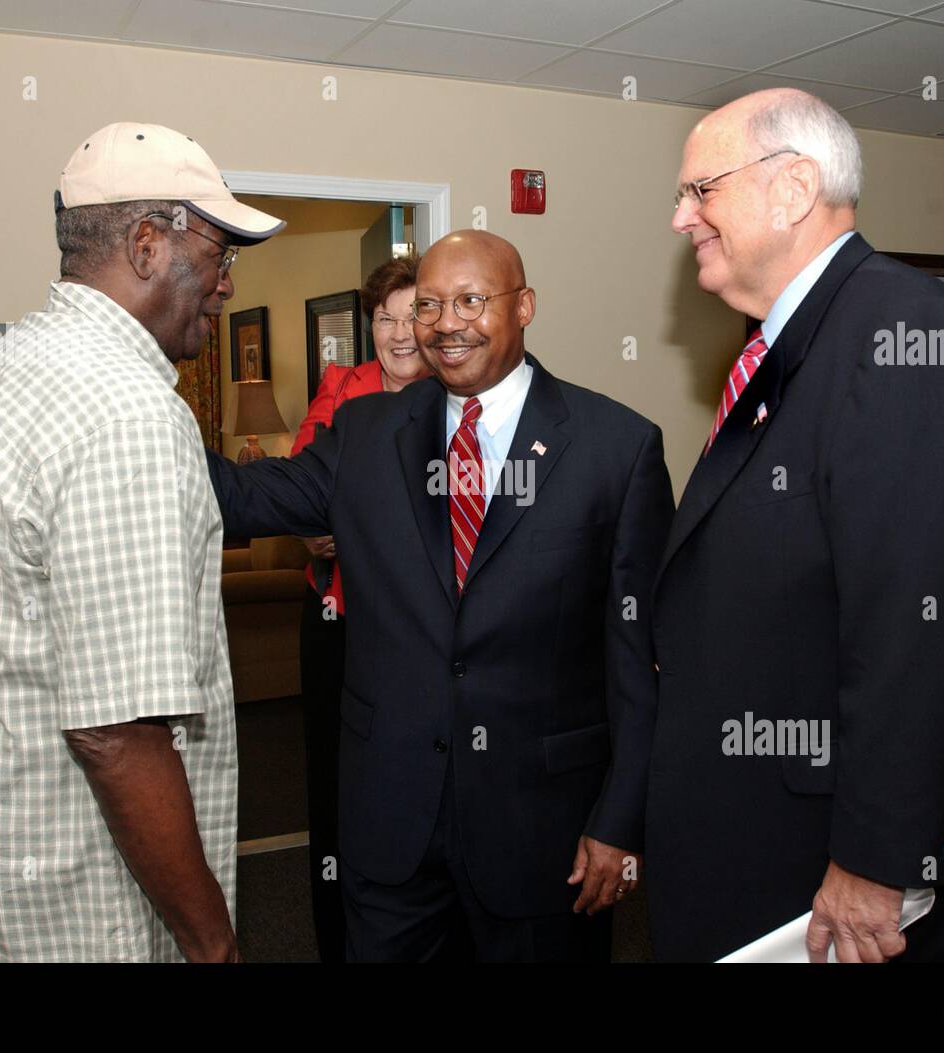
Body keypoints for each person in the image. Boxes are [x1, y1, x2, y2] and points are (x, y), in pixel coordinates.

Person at [648, 88, 944, 962]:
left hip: (844, 865)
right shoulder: (796, 344)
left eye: (700, 190)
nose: (678, 217)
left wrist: (881, 859)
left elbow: (929, 633)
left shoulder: (906, 337)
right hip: (767, 824)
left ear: (792, 187)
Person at [0, 122, 284, 962]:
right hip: (72, 906)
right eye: (217, 255)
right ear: (144, 244)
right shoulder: (127, 414)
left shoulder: (5, 367)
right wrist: (214, 944)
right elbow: (117, 732)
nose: (226, 286)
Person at [205, 229, 673, 962]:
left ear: (524, 306)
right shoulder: (364, 434)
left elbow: (638, 660)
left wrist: (620, 821)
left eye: (470, 300)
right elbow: (237, 496)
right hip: (392, 827)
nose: (445, 322)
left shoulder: (617, 448)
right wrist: (130, 394)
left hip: (544, 836)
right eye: (428, 304)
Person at [289, 253, 430, 963]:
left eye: (414, 315)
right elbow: (308, 499)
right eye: (385, 318)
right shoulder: (341, 390)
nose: (400, 333)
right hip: (340, 625)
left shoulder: (460, 393)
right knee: (339, 789)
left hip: (425, 633)